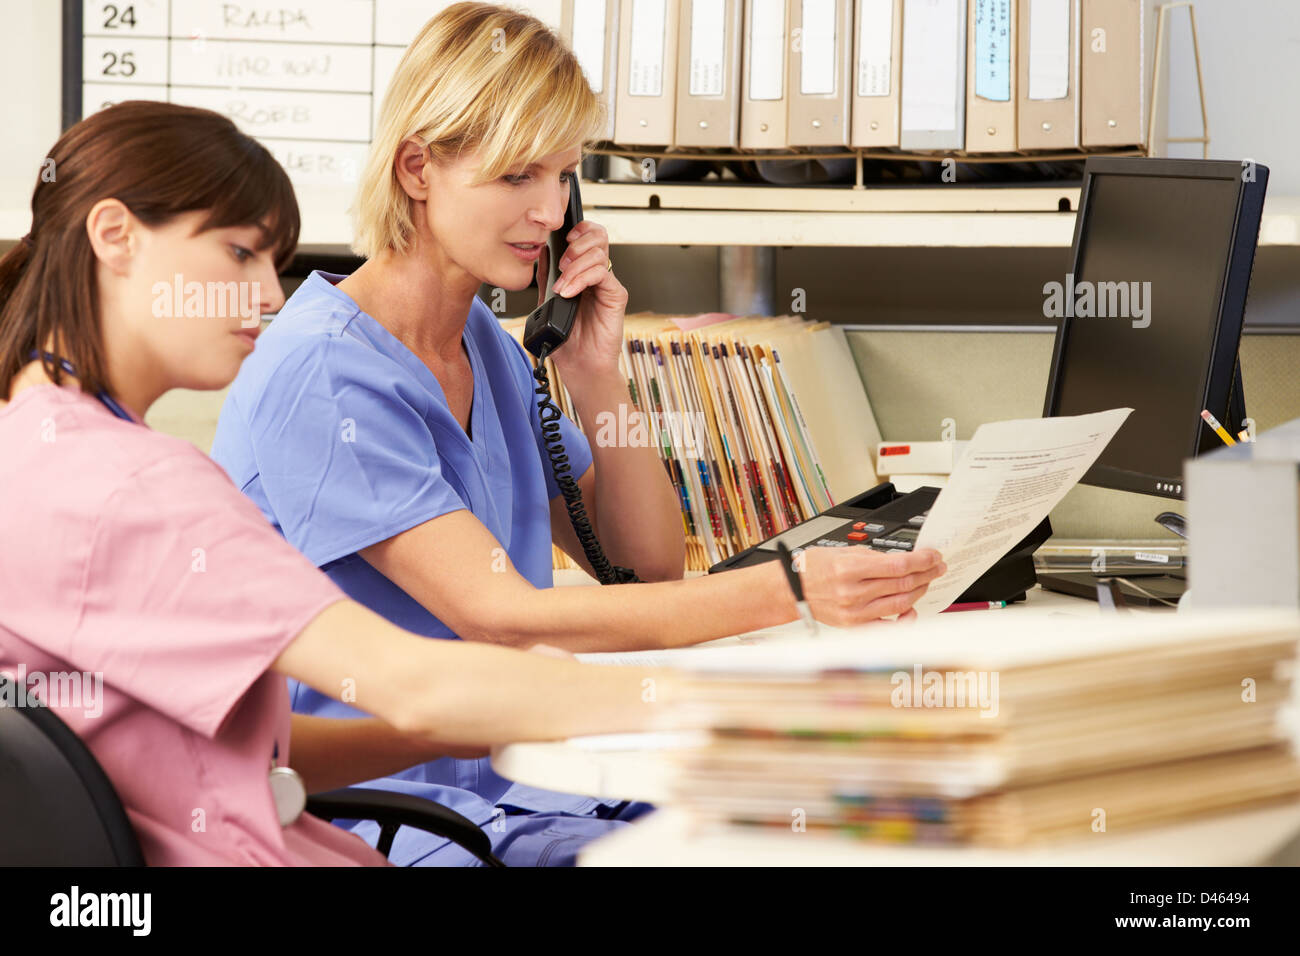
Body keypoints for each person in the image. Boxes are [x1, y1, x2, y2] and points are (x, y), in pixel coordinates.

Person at [211, 1, 947, 866]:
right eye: (519, 176)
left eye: (565, 176)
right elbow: (506, 619)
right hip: (384, 813)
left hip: (521, 776)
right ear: (418, 168)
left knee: (842, 819)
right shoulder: (327, 374)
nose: (553, 212)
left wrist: (600, 376)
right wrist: (792, 585)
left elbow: (641, 566)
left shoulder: (484, 339)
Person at [0, 100, 672, 867]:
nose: (269, 296)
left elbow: (253, 755)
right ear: (115, 236)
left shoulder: (32, 446)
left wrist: (473, 721)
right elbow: (409, 683)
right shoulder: (143, 486)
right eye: (240, 253)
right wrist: (721, 706)